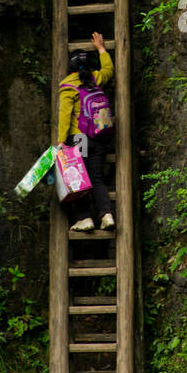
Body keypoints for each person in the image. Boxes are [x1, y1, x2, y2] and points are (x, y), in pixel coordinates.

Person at [57, 32, 115, 232]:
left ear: (70, 67)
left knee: (78, 178)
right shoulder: (96, 78)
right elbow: (108, 69)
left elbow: (64, 117)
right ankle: (106, 214)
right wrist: (101, 49)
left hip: (79, 138)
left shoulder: (68, 85)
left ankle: (85, 218)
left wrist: (61, 142)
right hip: (99, 137)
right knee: (96, 177)